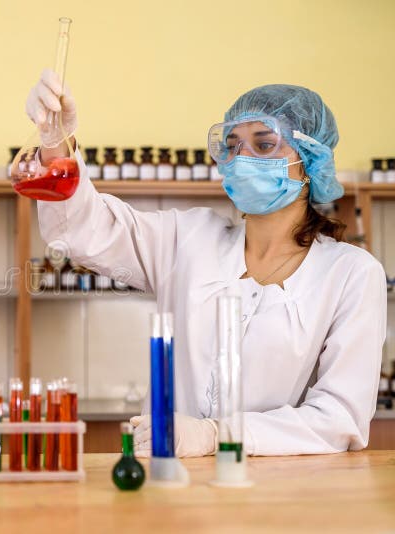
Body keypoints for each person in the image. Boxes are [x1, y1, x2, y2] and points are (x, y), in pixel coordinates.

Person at [26, 71, 387, 456]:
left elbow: (339, 417)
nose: (242, 158)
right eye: (232, 146)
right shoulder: (189, 239)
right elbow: (85, 231)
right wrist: (56, 146)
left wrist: (216, 435)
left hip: (277, 493)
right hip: (165, 479)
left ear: (310, 161)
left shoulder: (350, 274)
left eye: (264, 145)